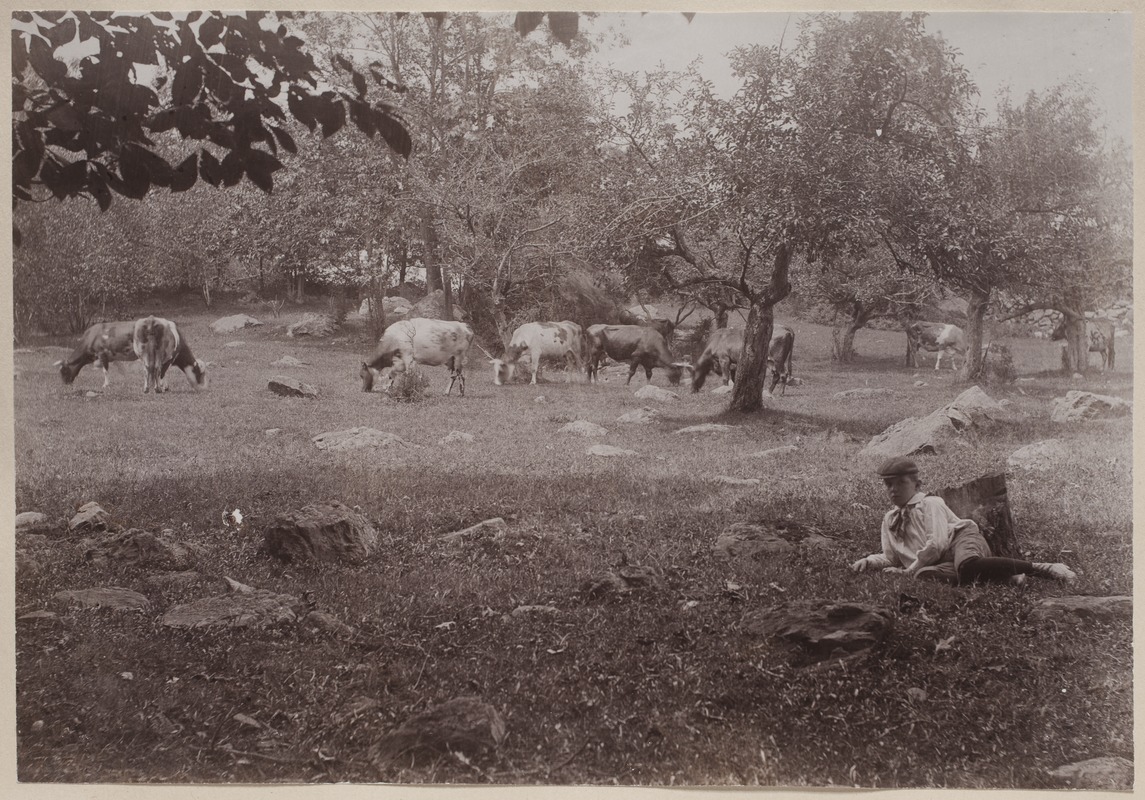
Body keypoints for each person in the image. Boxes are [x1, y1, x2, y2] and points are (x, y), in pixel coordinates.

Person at [850, 457, 1077, 586]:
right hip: (937, 562)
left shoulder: (931, 504)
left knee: (965, 564)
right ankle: (1006, 578)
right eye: (888, 485)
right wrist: (869, 561)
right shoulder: (890, 519)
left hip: (961, 541)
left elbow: (937, 544)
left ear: (917, 485)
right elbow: (891, 557)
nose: (893, 490)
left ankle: (1044, 568)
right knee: (924, 576)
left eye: (900, 483)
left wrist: (907, 572)